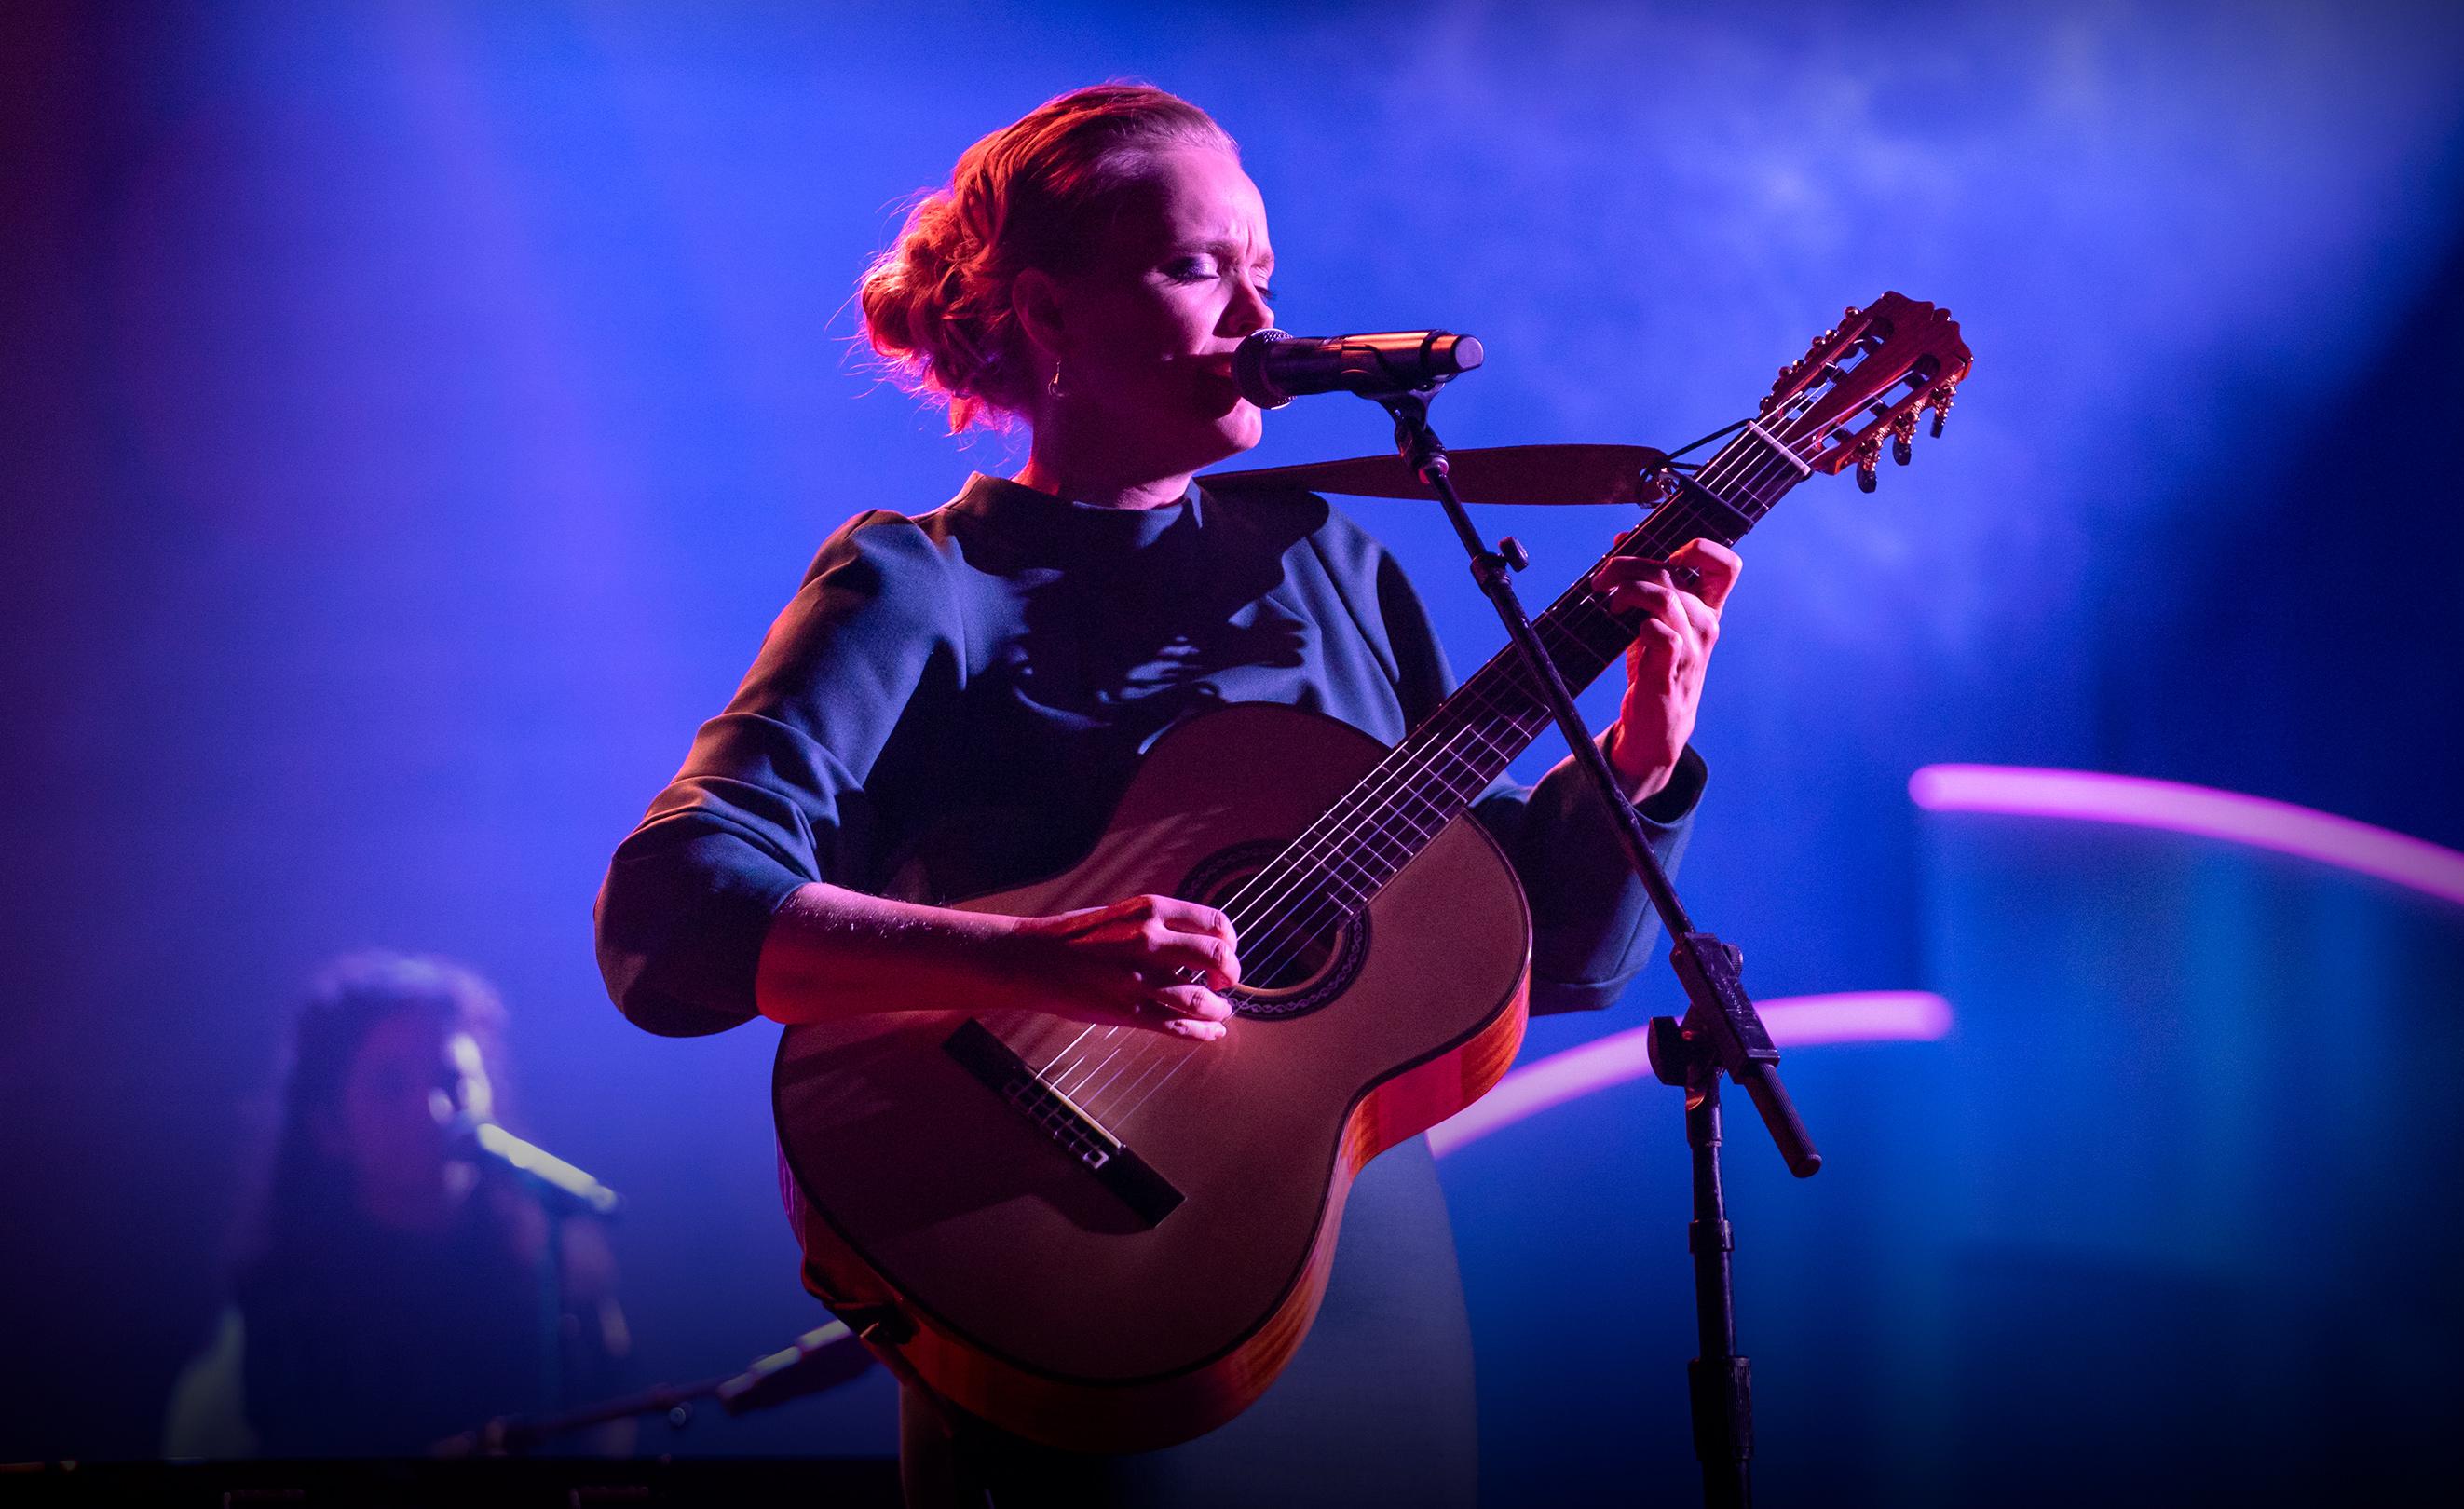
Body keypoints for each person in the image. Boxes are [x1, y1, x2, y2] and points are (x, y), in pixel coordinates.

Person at [593, 83, 1737, 1507]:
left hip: (1358, 1249)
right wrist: (1035, 960)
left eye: (1265, 273)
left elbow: (1525, 956)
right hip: (1063, 1256)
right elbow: (670, 913)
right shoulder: (919, 585)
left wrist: (1635, 750)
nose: (1261, 322)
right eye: (1200, 269)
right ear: (1052, 316)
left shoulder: (1329, 559)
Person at [164, 952, 629, 1458]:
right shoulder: (275, 1313)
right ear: (328, 1125)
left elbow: (612, 1426)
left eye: (452, 1081)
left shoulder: (557, 1272)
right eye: (391, 1087)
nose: (434, 1110)